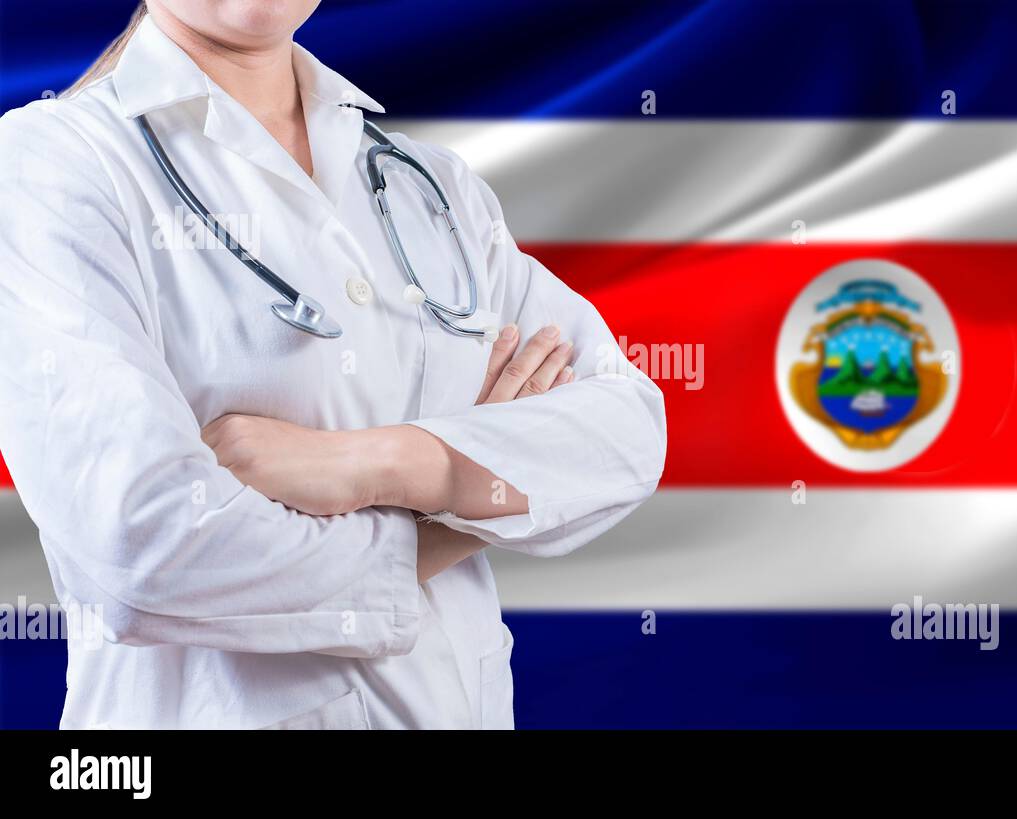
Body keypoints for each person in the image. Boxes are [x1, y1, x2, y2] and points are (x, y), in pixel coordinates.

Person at [0, 0, 666, 729]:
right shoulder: (51, 167)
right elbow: (143, 550)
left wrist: (377, 463)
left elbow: (626, 430)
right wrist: (467, 512)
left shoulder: (426, 183)